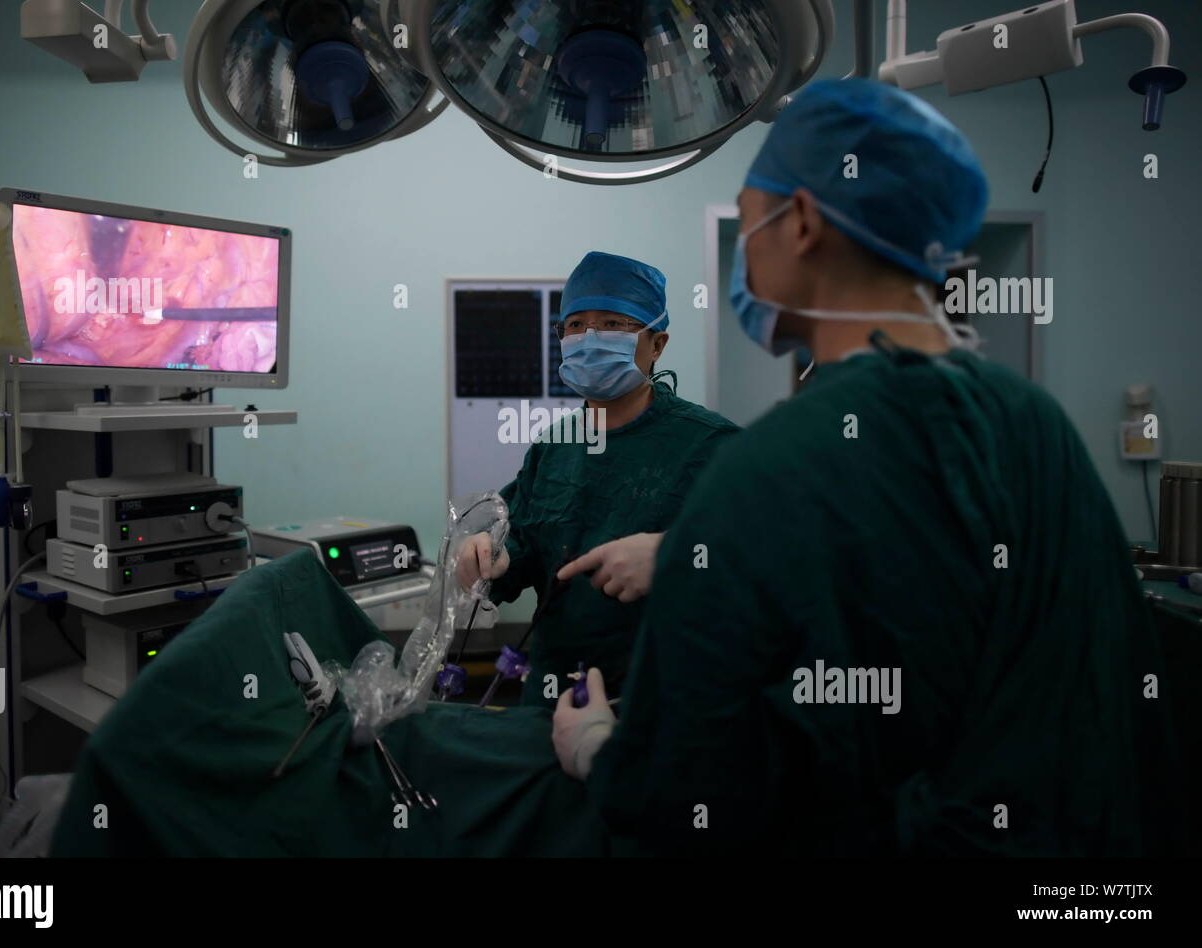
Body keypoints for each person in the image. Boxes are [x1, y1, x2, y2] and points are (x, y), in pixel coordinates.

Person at [552, 79, 1180, 855]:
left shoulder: (772, 464)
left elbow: (684, 796)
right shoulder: (1033, 421)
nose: (745, 254)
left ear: (805, 222)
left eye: (750, 222)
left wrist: (596, 745)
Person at [456, 251, 739, 707]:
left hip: (665, 697)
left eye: (613, 324)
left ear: (658, 344)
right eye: (575, 325)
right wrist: (494, 556)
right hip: (555, 688)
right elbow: (524, 538)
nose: (589, 337)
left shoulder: (711, 445)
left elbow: (768, 559)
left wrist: (674, 556)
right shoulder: (554, 446)